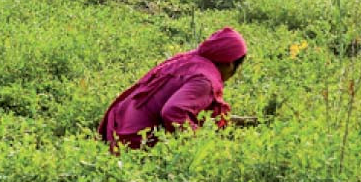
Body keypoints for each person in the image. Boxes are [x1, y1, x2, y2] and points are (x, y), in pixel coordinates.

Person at [98, 27, 251, 152]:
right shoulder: (206, 81)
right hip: (133, 142)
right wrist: (200, 146)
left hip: (117, 125)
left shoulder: (189, 59)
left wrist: (235, 121)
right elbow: (174, 112)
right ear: (231, 64)